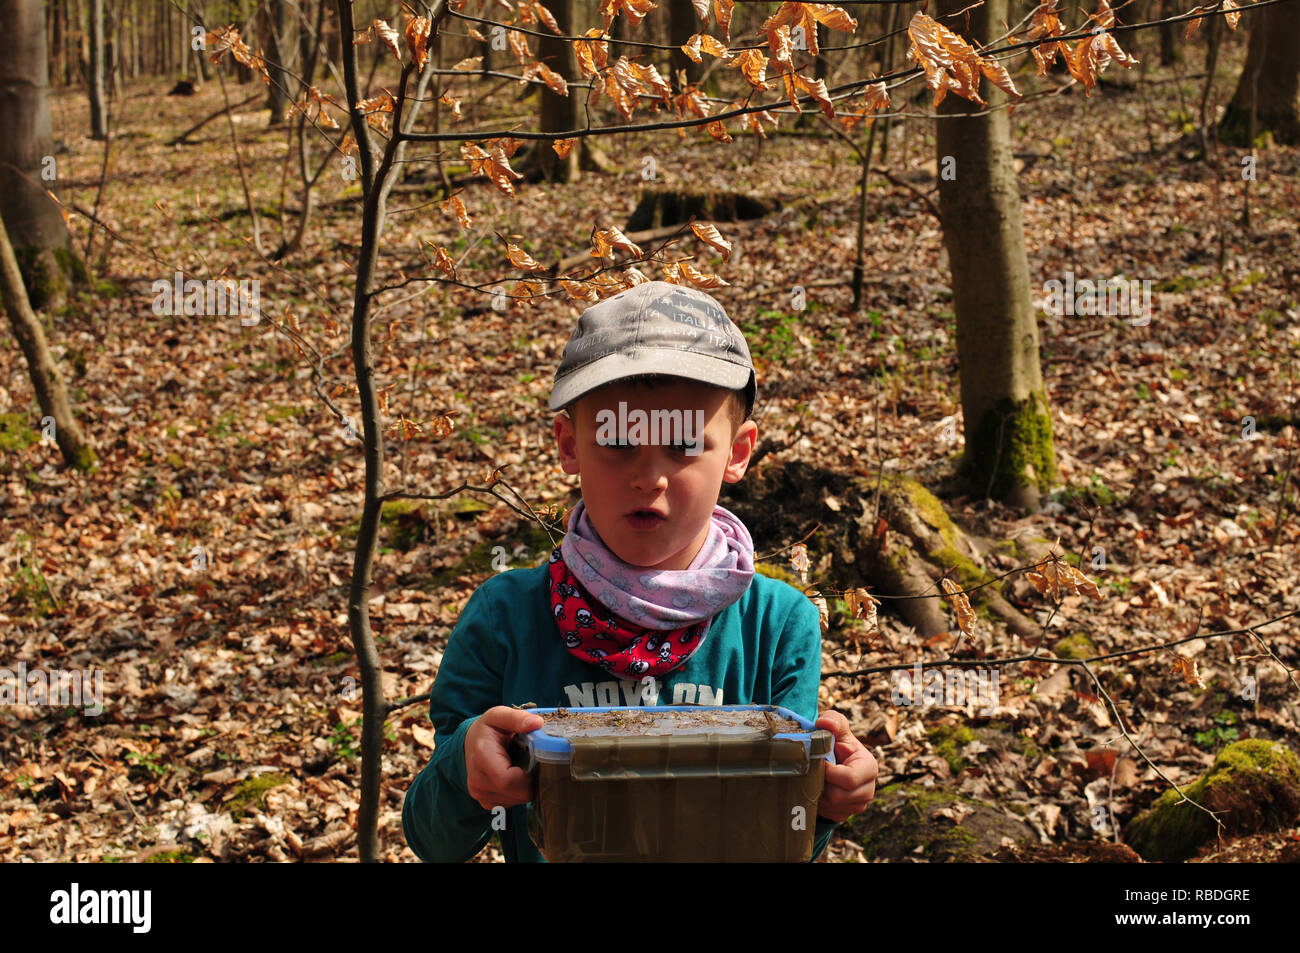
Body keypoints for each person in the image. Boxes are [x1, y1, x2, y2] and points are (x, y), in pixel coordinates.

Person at [402, 280, 877, 862]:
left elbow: (782, 838)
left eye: (683, 445)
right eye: (619, 442)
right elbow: (434, 841)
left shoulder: (775, 626)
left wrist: (825, 801)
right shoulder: (506, 616)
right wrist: (464, 767)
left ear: (736, 452)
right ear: (569, 445)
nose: (649, 477)